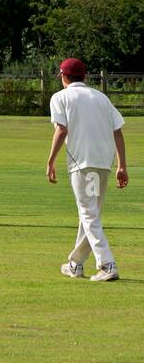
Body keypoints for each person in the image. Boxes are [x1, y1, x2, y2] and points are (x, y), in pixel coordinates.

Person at [47, 57, 128, 282]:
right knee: (90, 213)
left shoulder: (60, 97)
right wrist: (122, 165)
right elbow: (118, 131)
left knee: (89, 213)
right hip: (104, 162)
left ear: (64, 76)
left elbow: (61, 130)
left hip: (83, 163)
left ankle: (107, 264)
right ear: (84, 76)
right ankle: (75, 265)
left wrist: (50, 161)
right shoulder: (101, 97)